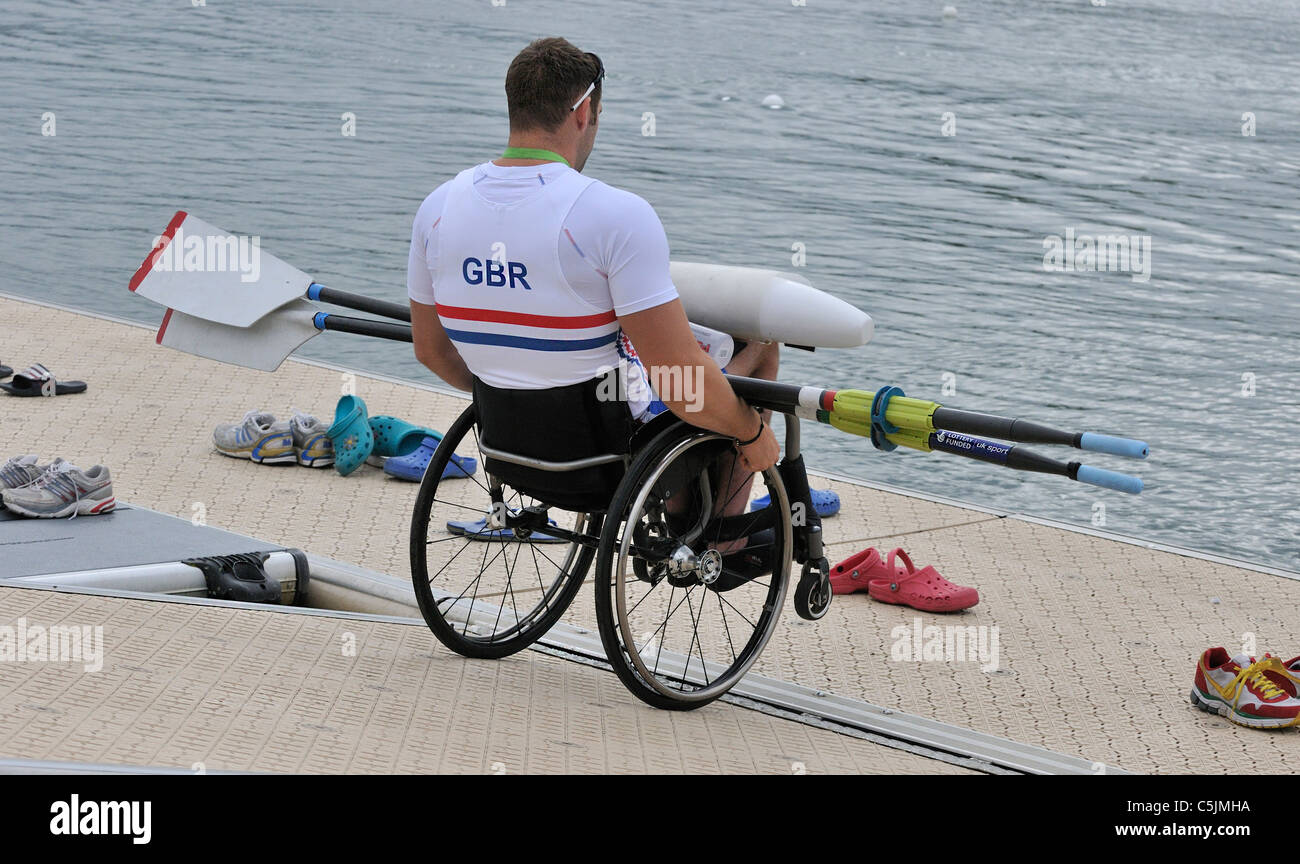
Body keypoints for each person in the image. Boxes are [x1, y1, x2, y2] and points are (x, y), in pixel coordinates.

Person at [407, 37, 781, 487]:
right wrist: (752, 431)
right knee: (756, 346)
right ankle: (722, 543)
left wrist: (520, 396)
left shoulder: (437, 208)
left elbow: (431, 351)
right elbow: (679, 380)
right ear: (583, 113)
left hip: (505, 446)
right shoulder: (616, 214)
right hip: (609, 458)